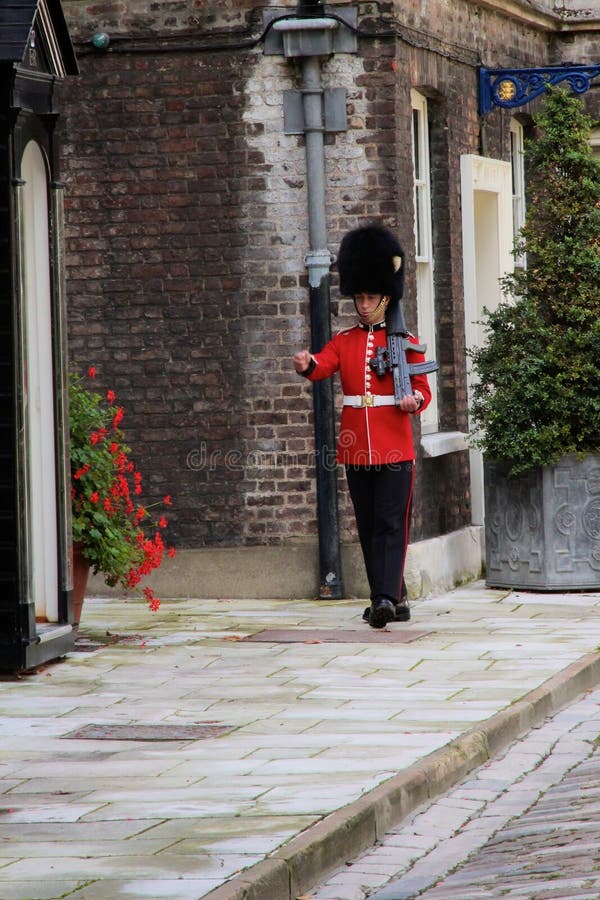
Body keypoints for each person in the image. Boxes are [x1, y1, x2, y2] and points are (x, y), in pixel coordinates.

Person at [293, 224, 432, 629]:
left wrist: (414, 401)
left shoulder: (405, 341)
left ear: (386, 297)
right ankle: (391, 596)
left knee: (391, 524)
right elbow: (325, 364)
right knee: (370, 525)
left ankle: (384, 598)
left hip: (394, 446)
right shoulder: (346, 340)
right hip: (357, 450)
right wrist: (307, 365)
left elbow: (422, 389)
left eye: (370, 296)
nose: (363, 303)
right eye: (359, 296)